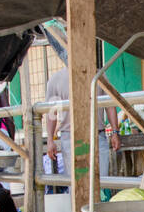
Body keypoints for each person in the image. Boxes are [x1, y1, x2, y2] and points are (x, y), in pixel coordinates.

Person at [43, 65, 117, 194]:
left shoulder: (99, 76)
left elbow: (110, 106)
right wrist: (50, 139)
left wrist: (115, 132)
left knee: (101, 183)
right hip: (70, 138)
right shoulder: (56, 80)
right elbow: (51, 113)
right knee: (76, 185)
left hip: (97, 135)